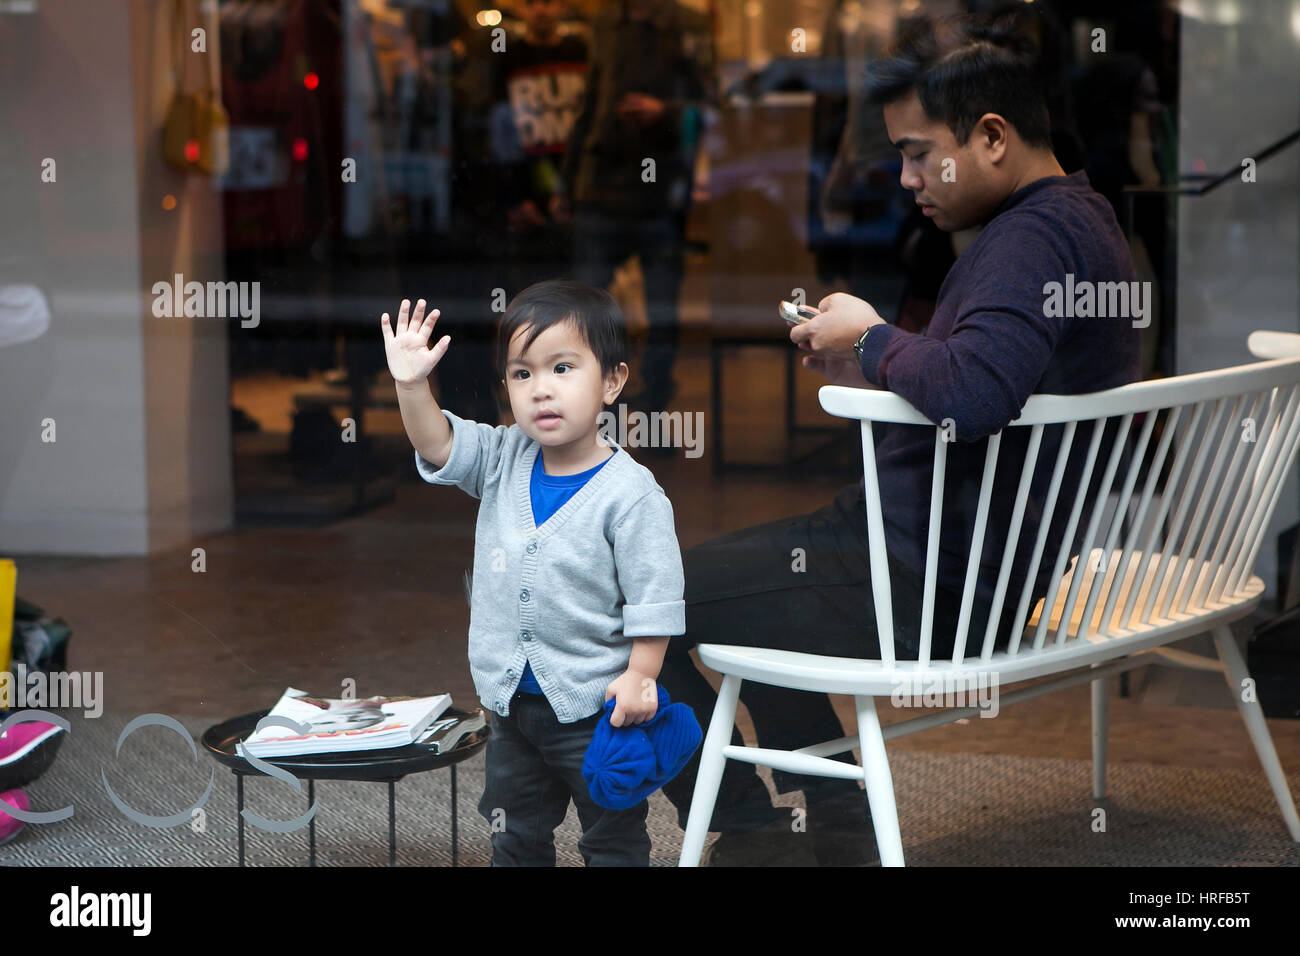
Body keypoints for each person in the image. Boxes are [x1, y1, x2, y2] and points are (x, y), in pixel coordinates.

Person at [657, 11, 1144, 865]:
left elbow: (976, 392)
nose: (909, 176)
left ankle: (748, 826)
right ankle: (837, 810)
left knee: (635, 598)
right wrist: (872, 369)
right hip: (969, 564)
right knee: (752, 582)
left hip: (929, 583)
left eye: (920, 152)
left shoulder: (1028, 242)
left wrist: (872, 337)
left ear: (991, 136)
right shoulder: (1085, 219)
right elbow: (982, 376)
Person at [381, 279, 685, 866]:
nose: (540, 390)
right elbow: (438, 444)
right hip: (510, 709)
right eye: (522, 375)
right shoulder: (502, 457)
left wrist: (641, 675)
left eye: (563, 368)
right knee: (515, 834)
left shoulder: (631, 495)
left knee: (611, 835)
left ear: (613, 381)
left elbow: (656, 599)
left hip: (598, 706)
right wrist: (411, 384)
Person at [558, 0, 713, 414]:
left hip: (659, 192)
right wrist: (568, 181)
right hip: (602, 185)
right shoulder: (607, 22)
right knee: (585, 309)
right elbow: (591, 103)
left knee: (662, 308)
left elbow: (712, 106)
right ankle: (593, 407)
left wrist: (666, 112)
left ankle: (655, 406)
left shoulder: (687, 24)